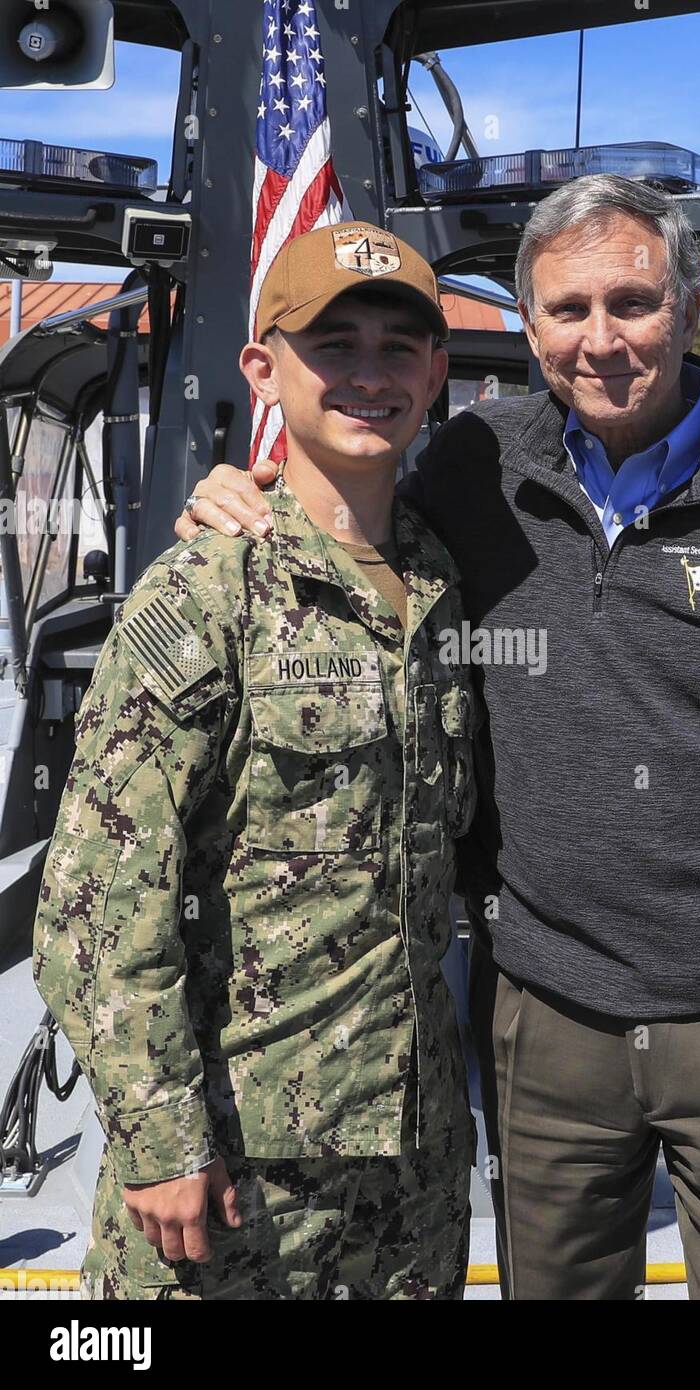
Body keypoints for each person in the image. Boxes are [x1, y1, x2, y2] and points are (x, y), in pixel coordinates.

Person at [177, 175, 700, 1301]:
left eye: (630, 303)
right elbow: (348, 517)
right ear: (527, 327)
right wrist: (237, 493)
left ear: (685, 306)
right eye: (565, 312)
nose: (600, 341)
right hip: (543, 1012)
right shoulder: (473, 469)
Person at [34, 221, 480, 1300]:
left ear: (436, 371)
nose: (367, 375)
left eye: (395, 346)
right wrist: (160, 1141)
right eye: (333, 346)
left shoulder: (441, 582)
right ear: (262, 368)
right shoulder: (204, 593)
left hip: (410, 1174)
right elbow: (98, 900)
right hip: (236, 1175)